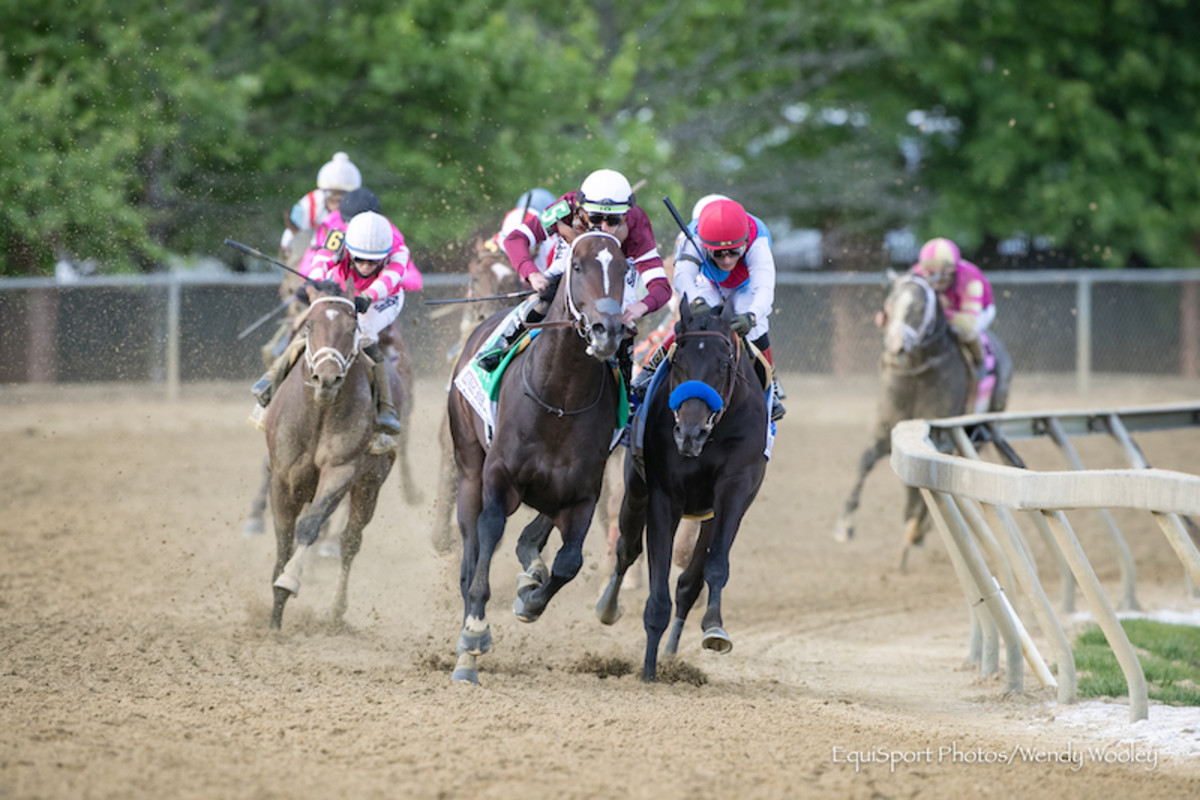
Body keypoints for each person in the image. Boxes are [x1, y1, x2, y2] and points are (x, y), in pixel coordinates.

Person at [483, 169, 671, 385]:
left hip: (616, 263)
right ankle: (500, 344)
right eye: (596, 218)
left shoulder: (638, 224)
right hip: (576, 248)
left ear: (626, 215)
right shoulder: (565, 207)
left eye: (613, 220)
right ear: (580, 211)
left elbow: (661, 287)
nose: (603, 227)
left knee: (622, 318)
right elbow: (515, 239)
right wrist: (532, 273)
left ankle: (625, 389)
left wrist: (641, 306)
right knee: (545, 295)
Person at [251, 211, 416, 454]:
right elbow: (320, 263)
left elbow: (390, 280)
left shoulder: (399, 251)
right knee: (317, 325)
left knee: (365, 333)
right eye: (360, 259)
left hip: (384, 298)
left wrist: (368, 296)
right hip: (340, 286)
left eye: (373, 262)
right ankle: (271, 384)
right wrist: (317, 287)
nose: (366, 266)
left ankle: (385, 411)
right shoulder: (338, 237)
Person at [642, 197, 786, 421]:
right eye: (718, 253)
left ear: (745, 240)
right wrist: (695, 302)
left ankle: (770, 386)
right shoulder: (694, 237)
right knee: (693, 322)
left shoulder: (758, 240)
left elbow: (764, 289)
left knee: (755, 325)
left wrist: (751, 316)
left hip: (745, 287)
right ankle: (650, 370)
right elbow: (683, 276)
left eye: (734, 252)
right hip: (708, 283)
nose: (727, 260)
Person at [909, 237, 995, 375]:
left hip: (977, 311)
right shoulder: (917, 272)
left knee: (965, 332)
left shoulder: (969, 277)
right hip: (943, 310)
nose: (936, 280)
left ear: (953, 270)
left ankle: (979, 363)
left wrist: (943, 312)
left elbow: (970, 323)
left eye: (942, 273)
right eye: (931, 273)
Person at [279, 152, 362, 263]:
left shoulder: (360, 205)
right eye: (332, 197)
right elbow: (293, 232)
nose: (336, 204)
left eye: (341, 198)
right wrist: (286, 250)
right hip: (312, 249)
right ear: (324, 192)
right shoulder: (309, 203)